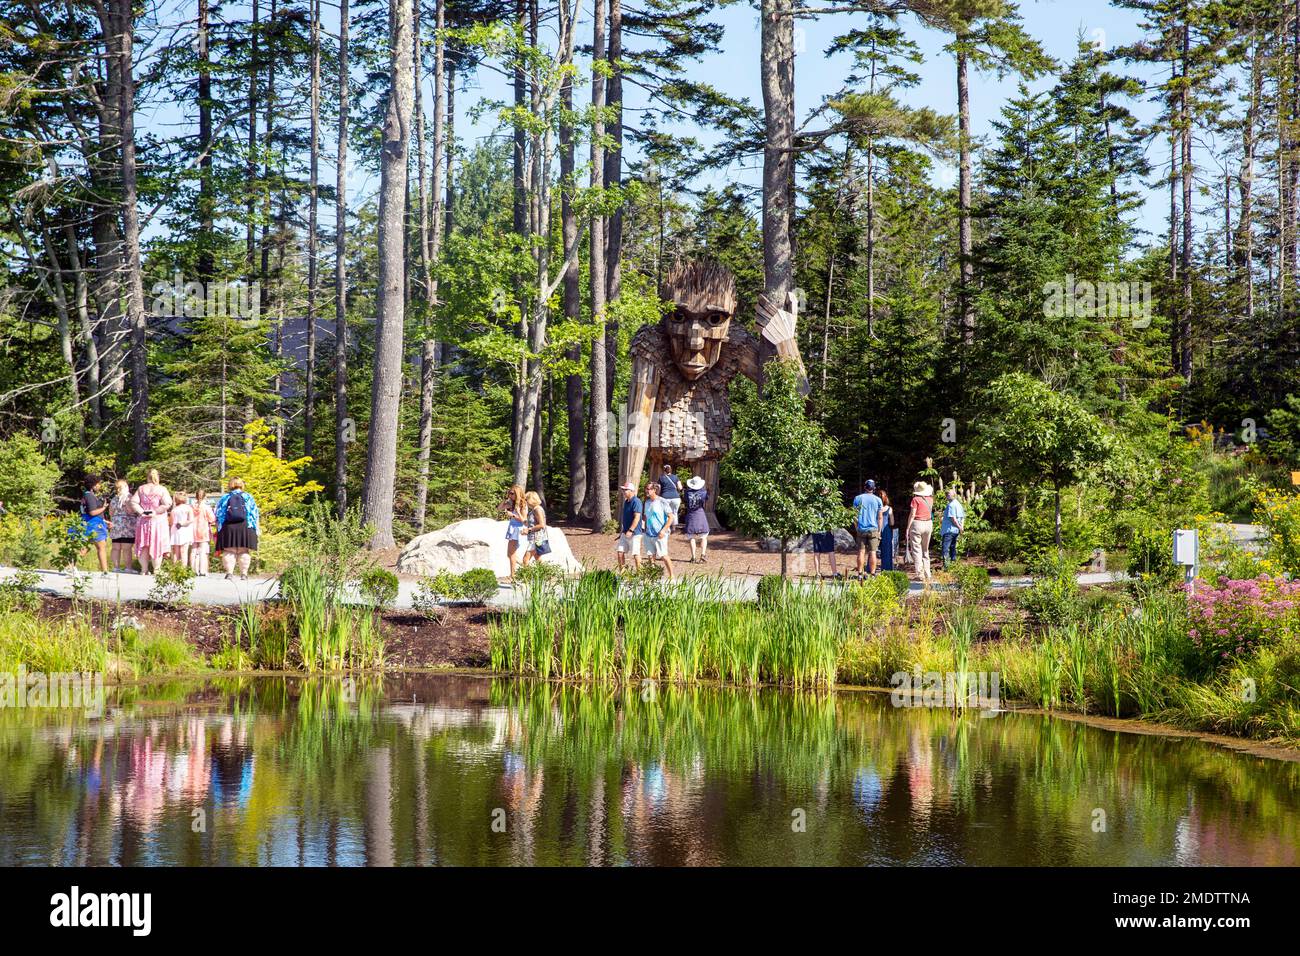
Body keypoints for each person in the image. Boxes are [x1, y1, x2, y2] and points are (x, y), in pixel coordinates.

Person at [215, 477, 260, 580]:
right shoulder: (248, 497)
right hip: (246, 526)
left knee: (229, 551)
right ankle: (244, 574)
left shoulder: (225, 497)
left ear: (230, 485)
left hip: (228, 526)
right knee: (244, 551)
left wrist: (218, 528)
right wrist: (257, 528)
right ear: (242, 485)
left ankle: (229, 573)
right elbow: (255, 513)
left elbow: (218, 514)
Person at [131, 469, 173, 575]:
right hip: (157, 521)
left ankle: (144, 569)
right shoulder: (162, 489)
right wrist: (155, 511)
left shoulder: (141, 489)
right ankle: (157, 569)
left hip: (143, 521)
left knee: (143, 545)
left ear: (147, 477)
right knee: (156, 545)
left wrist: (142, 512)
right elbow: (167, 503)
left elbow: (133, 502)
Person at [75, 473, 110, 573]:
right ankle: (105, 571)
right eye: (98, 484)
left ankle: (69, 566)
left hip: (90, 523)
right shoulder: (89, 496)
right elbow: (92, 512)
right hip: (94, 525)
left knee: (85, 547)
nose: (99, 486)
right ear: (93, 485)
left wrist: (104, 521)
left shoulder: (87, 495)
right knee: (101, 547)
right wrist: (104, 508)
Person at [641, 481, 676, 579]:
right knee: (651, 557)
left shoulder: (662, 501)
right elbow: (645, 517)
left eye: (649, 489)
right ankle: (653, 576)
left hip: (660, 533)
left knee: (663, 555)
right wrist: (643, 527)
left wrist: (663, 530)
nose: (646, 491)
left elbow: (671, 517)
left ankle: (671, 576)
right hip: (648, 533)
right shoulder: (647, 502)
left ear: (654, 490)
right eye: (646, 489)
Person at [852, 479, 883, 578]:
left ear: (865, 487)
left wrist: (856, 527)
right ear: (873, 488)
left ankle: (860, 573)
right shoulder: (878, 500)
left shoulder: (857, 498)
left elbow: (854, 515)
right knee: (873, 552)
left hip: (861, 528)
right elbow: (880, 517)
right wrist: (879, 530)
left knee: (861, 551)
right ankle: (873, 574)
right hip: (873, 529)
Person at [907, 481, 935, 583]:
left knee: (916, 549)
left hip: (917, 524)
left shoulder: (915, 499)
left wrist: (908, 527)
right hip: (928, 524)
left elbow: (913, 514)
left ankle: (920, 574)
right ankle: (928, 572)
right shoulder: (930, 499)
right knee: (925, 550)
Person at [108, 479, 138, 573]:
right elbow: (130, 511)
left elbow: (111, 513)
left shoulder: (114, 499)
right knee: (127, 548)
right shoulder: (129, 497)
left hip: (116, 524)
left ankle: (116, 567)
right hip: (127, 524)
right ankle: (128, 568)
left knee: (116, 547)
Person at [499, 485, 527, 582]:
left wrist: (513, 515)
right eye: (509, 493)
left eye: (512, 493)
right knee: (509, 554)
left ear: (517, 494)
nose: (510, 495)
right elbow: (499, 508)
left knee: (511, 554)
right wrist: (505, 499)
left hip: (517, 529)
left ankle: (513, 575)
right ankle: (525, 566)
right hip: (512, 528)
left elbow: (524, 520)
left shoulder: (522, 504)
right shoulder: (511, 503)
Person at [682, 474, 710, 564]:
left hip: (691, 514)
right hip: (700, 513)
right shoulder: (703, 492)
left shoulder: (687, 492)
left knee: (691, 536)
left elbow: (685, 500)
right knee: (704, 536)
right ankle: (703, 554)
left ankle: (693, 557)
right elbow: (706, 499)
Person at [615, 481, 643, 571]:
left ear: (631, 491)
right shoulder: (626, 502)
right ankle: (623, 574)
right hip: (625, 532)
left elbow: (637, 517)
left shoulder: (636, 501)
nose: (623, 492)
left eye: (625, 490)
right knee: (620, 552)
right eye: (623, 490)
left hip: (635, 533)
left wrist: (630, 530)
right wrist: (622, 532)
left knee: (636, 554)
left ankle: (641, 575)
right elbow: (626, 519)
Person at [519, 491, 549, 568]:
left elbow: (542, 525)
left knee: (525, 559)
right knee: (537, 558)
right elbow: (527, 523)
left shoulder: (537, 509)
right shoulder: (533, 510)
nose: (525, 501)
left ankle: (526, 578)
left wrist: (528, 530)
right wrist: (517, 514)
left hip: (536, 538)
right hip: (535, 538)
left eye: (526, 499)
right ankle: (546, 576)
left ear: (531, 499)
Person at [191, 489, 216, 576]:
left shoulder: (192, 507)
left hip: (193, 531)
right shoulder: (206, 507)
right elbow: (212, 519)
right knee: (203, 551)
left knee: (194, 551)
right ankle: (202, 570)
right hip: (203, 531)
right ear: (205, 497)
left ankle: (194, 570)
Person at [941, 487, 966, 568]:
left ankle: (947, 567)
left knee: (945, 548)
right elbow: (962, 518)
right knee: (953, 548)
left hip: (949, 530)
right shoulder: (959, 504)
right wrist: (961, 528)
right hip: (955, 531)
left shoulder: (951, 505)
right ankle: (954, 565)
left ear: (953, 495)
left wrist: (959, 526)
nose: (947, 496)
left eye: (948, 494)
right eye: (947, 494)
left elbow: (953, 519)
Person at [170, 491, 196, 567]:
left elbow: (171, 522)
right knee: (184, 551)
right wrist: (183, 523)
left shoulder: (174, 510)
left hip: (175, 530)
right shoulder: (188, 508)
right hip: (185, 530)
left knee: (176, 552)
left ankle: (175, 569)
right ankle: (183, 569)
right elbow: (191, 520)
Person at [879, 490, 896, 572]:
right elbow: (892, 523)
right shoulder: (889, 509)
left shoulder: (876, 508)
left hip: (876, 529)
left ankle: (870, 569)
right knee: (887, 550)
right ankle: (886, 568)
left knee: (873, 550)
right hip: (886, 530)